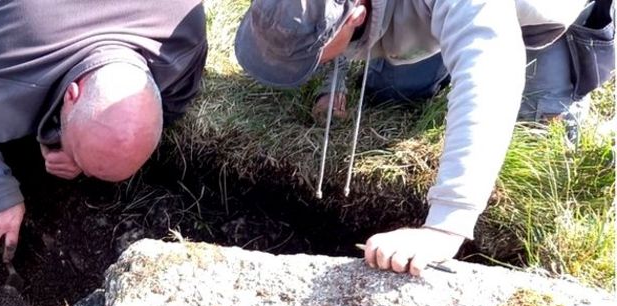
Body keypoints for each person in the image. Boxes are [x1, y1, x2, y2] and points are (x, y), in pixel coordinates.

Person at [235, 0, 614, 276]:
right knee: (395, 89)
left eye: (311, 56)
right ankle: (447, 42)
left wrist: (446, 226)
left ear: (356, 16)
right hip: (429, 11)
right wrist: (332, 77)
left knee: (536, 136)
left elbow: (492, 74)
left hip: (545, 16)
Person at [0, 0, 208, 260]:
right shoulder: (8, 50)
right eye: (80, 161)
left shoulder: (183, 37)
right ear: (71, 95)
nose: (76, 170)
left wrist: (69, 141)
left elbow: (170, 107)